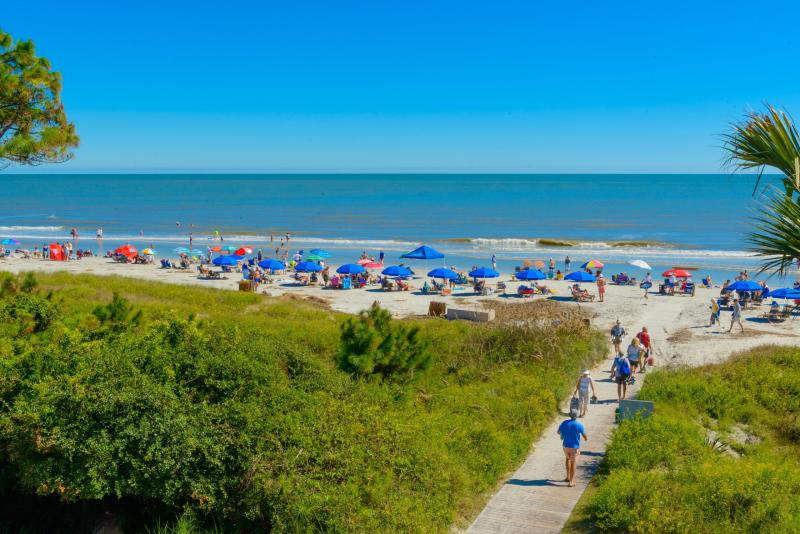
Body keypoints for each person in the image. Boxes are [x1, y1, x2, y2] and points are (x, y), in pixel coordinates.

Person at [557, 409, 587, 487]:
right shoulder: (579, 425)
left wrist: (564, 433)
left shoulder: (564, 423)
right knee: (573, 462)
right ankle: (571, 482)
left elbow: (558, 432)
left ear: (570, 415)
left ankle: (567, 477)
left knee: (567, 459)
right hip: (574, 447)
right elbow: (585, 437)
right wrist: (584, 438)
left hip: (565, 446)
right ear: (577, 416)